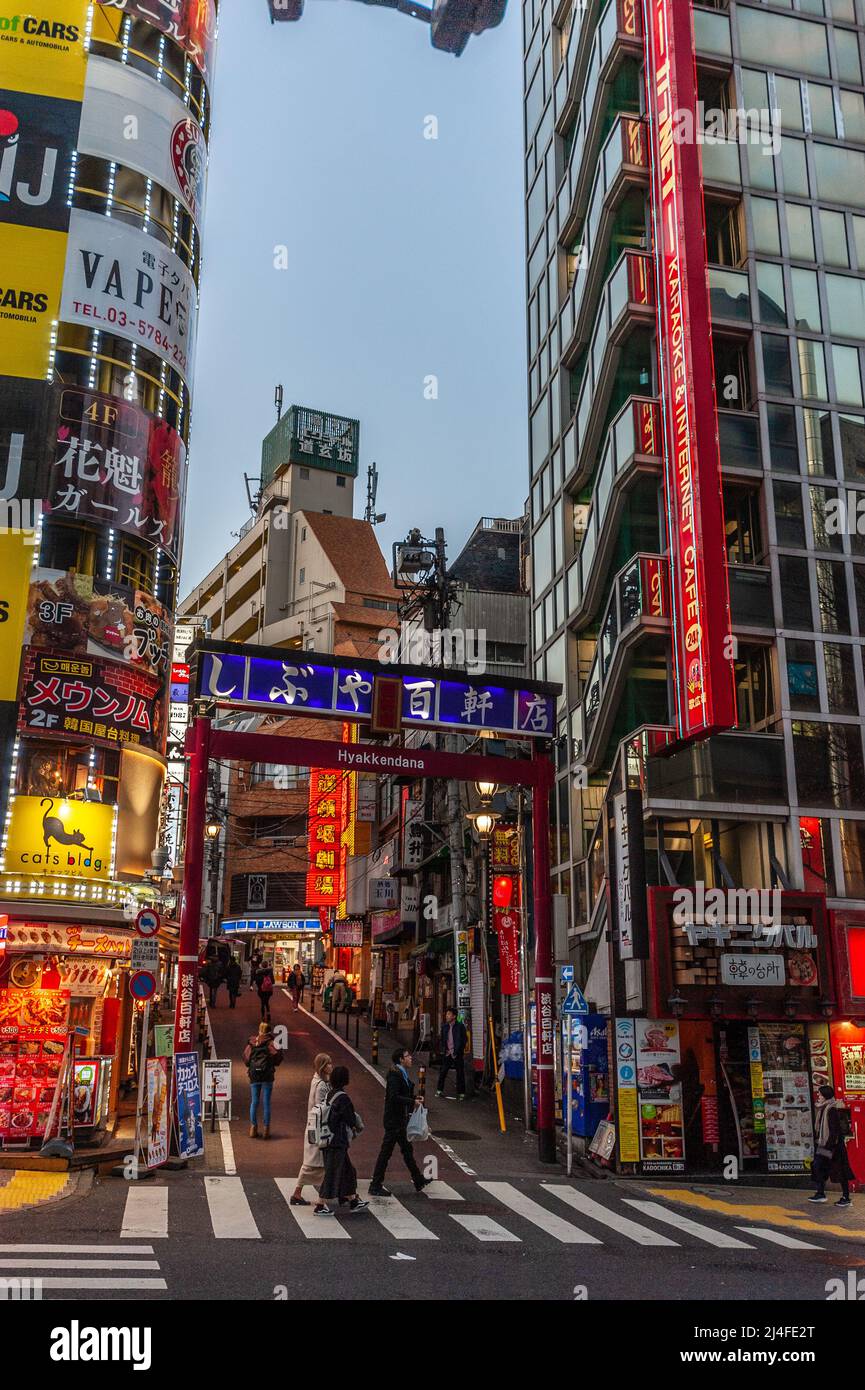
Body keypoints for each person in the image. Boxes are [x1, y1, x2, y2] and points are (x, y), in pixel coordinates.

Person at [369, 1047, 431, 1197]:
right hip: (393, 1120)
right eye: (407, 1056)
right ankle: (375, 1184)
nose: (410, 1058)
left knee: (406, 1150)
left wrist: (414, 1098)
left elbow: (401, 1094)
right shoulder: (394, 1076)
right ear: (401, 1060)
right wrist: (412, 1101)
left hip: (399, 1119)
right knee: (386, 1152)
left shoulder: (401, 1073)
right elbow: (393, 1097)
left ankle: (418, 1179)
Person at [315, 1065, 368, 1216]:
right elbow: (350, 1118)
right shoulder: (343, 1097)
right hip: (336, 1140)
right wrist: (356, 1126)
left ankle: (353, 1201)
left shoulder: (331, 1094)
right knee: (332, 1172)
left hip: (329, 1138)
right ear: (345, 1079)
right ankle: (320, 1205)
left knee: (347, 1171)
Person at [290, 1052, 332, 1205]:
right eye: (328, 1063)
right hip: (318, 1128)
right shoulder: (321, 1085)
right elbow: (321, 1107)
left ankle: (303, 1193)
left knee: (316, 1163)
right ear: (322, 1066)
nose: (330, 1066)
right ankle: (303, 1194)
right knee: (313, 1164)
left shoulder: (319, 1081)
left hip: (314, 1126)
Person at [810, 1084, 855, 1207]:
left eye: (819, 1094)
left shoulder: (832, 1109)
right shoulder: (823, 1108)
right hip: (824, 1145)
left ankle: (846, 1197)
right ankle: (820, 1193)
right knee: (818, 1166)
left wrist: (830, 1146)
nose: (818, 1096)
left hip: (833, 1147)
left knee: (839, 1170)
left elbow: (835, 1130)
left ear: (825, 1095)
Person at [243, 1021, 283, 1139]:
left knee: (254, 1102)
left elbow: (245, 1059)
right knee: (266, 1103)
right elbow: (278, 1059)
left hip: (254, 1075)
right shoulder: (272, 1043)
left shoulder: (252, 1042)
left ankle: (253, 1128)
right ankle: (266, 1130)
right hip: (267, 1076)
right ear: (269, 1032)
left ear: (259, 1031)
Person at [435, 1007, 468, 1100]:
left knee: (460, 1073)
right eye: (446, 1014)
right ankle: (439, 1090)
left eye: (449, 1014)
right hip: (447, 1053)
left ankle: (461, 1093)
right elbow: (442, 1039)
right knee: (443, 1072)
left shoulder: (460, 1026)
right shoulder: (444, 1026)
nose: (447, 1016)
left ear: (454, 1016)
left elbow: (464, 1039)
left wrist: (459, 1050)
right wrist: (444, 1049)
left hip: (457, 1053)